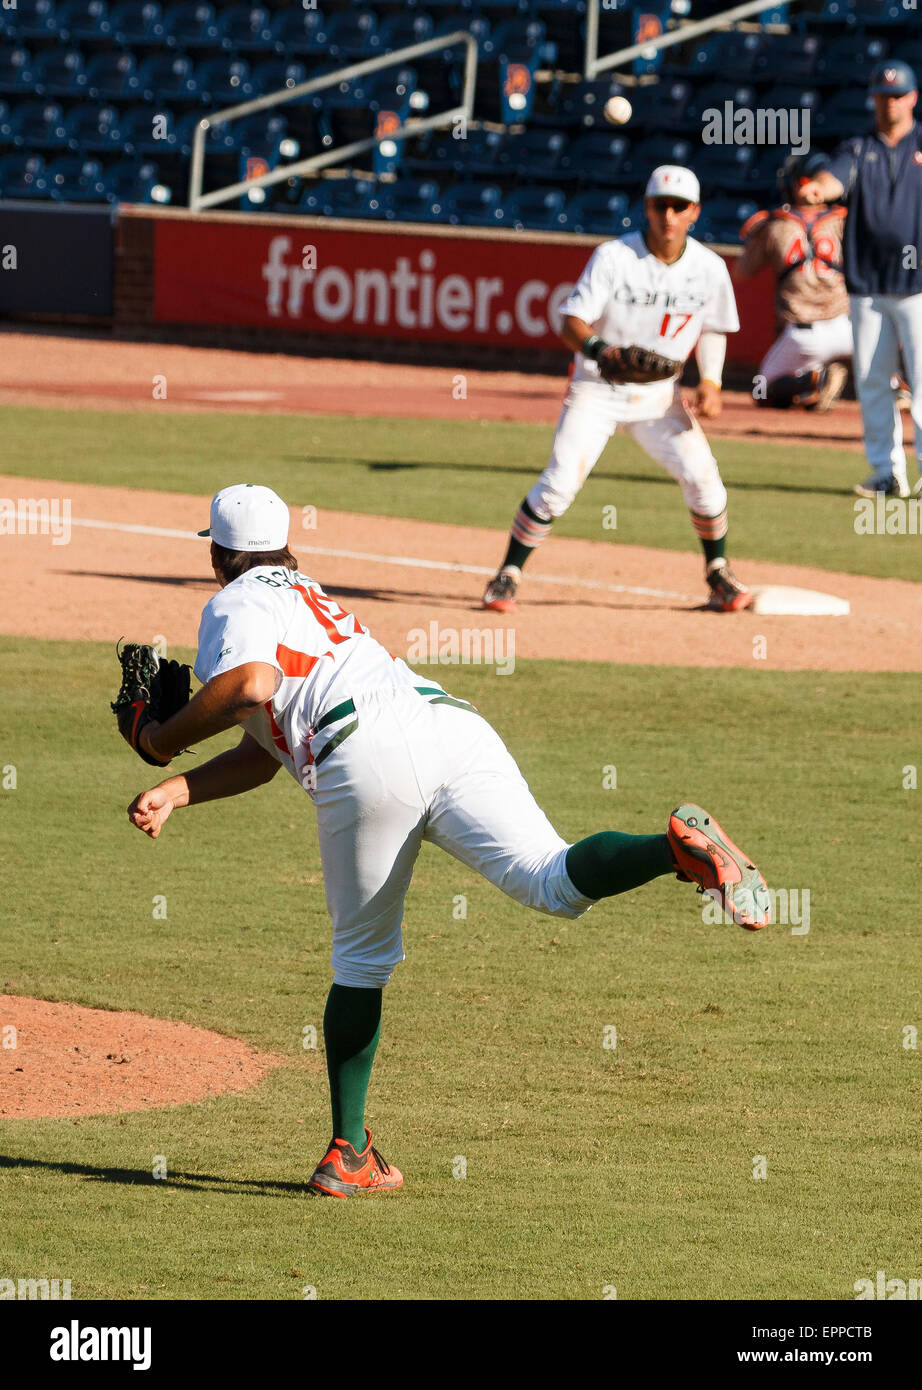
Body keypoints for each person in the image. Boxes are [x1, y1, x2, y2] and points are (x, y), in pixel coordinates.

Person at [125, 483, 771, 1198]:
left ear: (219, 554)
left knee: (360, 963)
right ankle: (673, 849)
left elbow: (251, 683)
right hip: (444, 721)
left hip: (365, 756)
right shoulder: (311, 596)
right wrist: (181, 788)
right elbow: (273, 743)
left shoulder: (232, 602)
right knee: (550, 879)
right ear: (285, 547)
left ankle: (349, 1151)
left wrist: (159, 740)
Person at [482, 165, 751, 616]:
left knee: (706, 481)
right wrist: (599, 349)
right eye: (660, 204)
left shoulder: (709, 268)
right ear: (646, 207)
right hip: (598, 388)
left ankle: (718, 573)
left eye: (678, 206)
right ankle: (507, 574)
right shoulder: (614, 257)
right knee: (558, 485)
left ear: (695, 212)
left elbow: (715, 330)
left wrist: (711, 382)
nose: (668, 214)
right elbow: (571, 320)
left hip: (660, 398)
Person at [800, 60, 922, 499]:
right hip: (867, 282)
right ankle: (887, 474)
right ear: (873, 99)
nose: (889, 103)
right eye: (882, 96)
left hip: (917, 284)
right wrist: (819, 188)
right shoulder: (859, 147)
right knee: (873, 379)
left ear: (912, 97)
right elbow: (834, 178)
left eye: (897, 95)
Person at [735, 152, 851, 413]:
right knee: (883, 363)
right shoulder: (846, 219)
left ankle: (811, 380)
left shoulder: (773, 223)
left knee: (760, 390)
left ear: (800, 183)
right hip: (849, 329)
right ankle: (897, 382)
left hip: (803, 334)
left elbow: (742, 271)